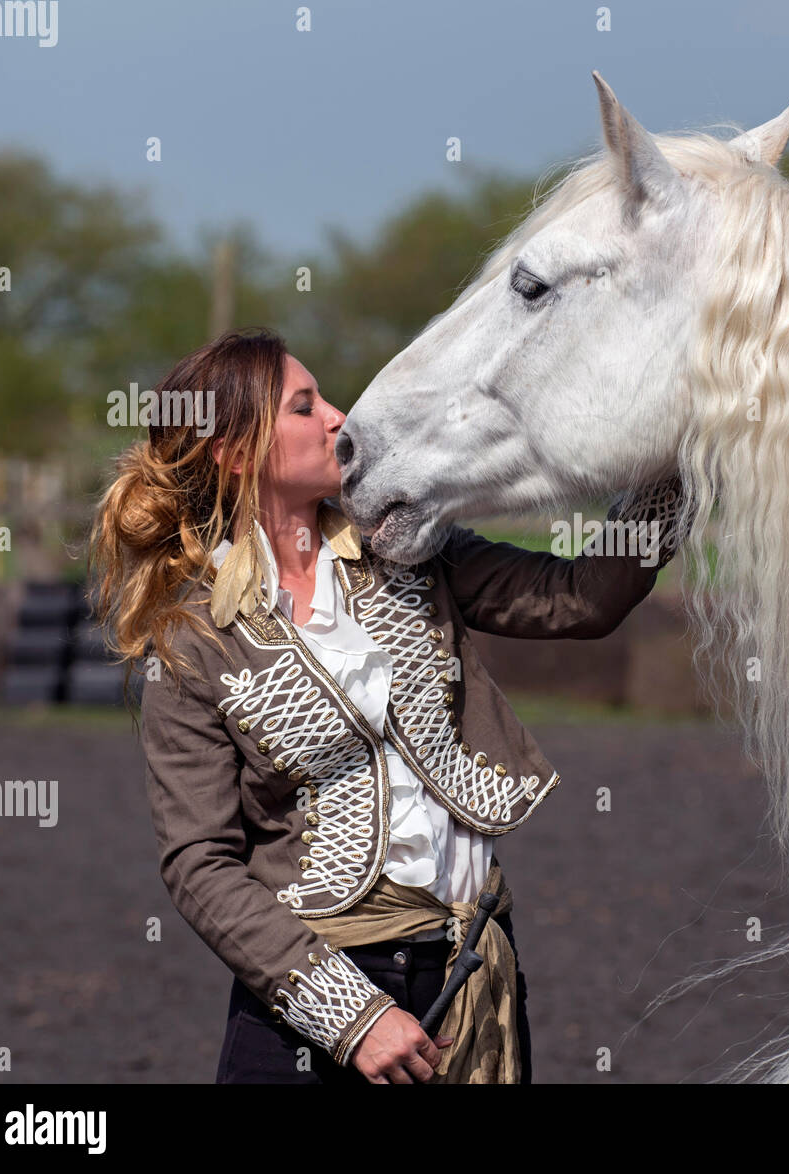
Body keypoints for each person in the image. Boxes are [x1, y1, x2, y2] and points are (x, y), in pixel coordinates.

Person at [87, 326, 688, 1083]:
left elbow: (576, 599)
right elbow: (201, 864)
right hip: (310, 1016)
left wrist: (680, 464)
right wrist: (354, 1018)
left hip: (471, 977)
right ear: (234, 453)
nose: (339, 417)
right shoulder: (189, 640)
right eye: (305, 407)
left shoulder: (410, 546)